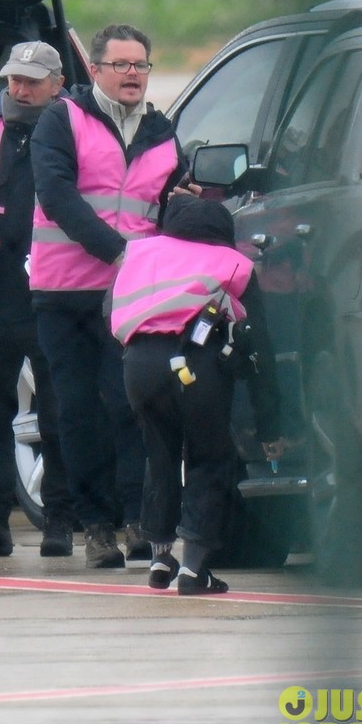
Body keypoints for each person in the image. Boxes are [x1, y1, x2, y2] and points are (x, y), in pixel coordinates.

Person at [29, 24, 187, 569]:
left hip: (132, 295)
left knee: (131, 407)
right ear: (94, 70)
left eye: (140, 64)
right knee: (77, 413)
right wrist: (118, 252)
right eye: (120, 64)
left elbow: (167, 205)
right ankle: (97, 528)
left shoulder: (163, 132)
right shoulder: (62, 119)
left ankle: (139, 520)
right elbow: (56, 195)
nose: (132, 73)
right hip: (64, 292)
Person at [110, 195, 284, 595]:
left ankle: (159, 555)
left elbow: (111, 313)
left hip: (139, 366)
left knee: (160, 455)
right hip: (197, 365)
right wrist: (269, 426)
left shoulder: (139, 254)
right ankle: (193, 568)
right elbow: (260, 349)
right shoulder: (234, 263)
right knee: (209, 457)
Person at [0, 42, 75, 559]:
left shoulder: (74, 137)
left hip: (50, 295)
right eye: (13, 80)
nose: (19, 90)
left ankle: (60, 521)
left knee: (58, 415)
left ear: (57, 84)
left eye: (31, 81)